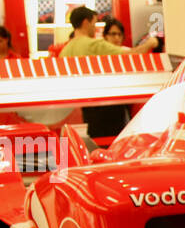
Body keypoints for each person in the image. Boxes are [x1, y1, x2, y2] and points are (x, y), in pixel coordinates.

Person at [61, 8, 154, 140]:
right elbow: (132, 55)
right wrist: (151, 42)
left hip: (86, 108)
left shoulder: (65, 50)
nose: (95, 28)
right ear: (86, 22)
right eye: (94, 23)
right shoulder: (94, 45)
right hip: (109, 106)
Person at [79, 17, 134, 139]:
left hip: (119, 107)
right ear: (105, 36)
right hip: (95, 107)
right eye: (113, 34)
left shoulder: (128, 54)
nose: (117, 38)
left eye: (120, 35)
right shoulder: (96, 51)